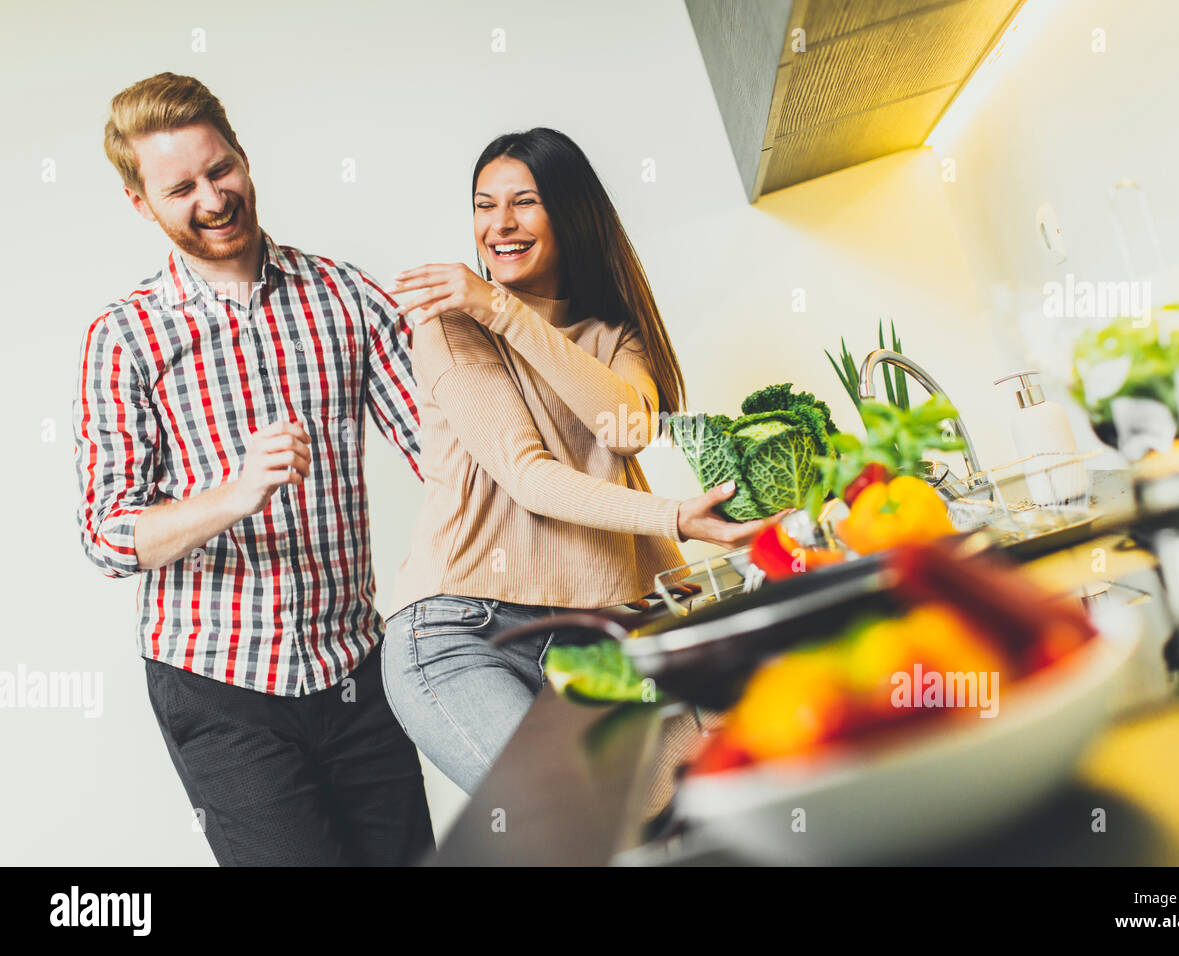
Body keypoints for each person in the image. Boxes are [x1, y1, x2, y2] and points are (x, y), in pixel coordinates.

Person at [74, 72, 434, 866]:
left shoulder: (343, 296)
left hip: (355, 670)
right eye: (180, 188)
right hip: (220, 687)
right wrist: (234, 495)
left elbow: (448, 456)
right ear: (142, 205)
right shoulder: (126, 338)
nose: (212, 198)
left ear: (241, 155)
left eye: (220, 169)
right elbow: (106, 535)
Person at [381, 127, 770, 796]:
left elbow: (626, 425)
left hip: (594, 637)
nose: (499, 224)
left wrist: (503, 308)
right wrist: (676, 517)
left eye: (524, 202)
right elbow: (530, 477)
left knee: (686, 810)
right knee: (568, 822)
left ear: (570, 211)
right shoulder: (449, 325)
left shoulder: (613, 334)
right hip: (461, 636)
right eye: (483, 204)